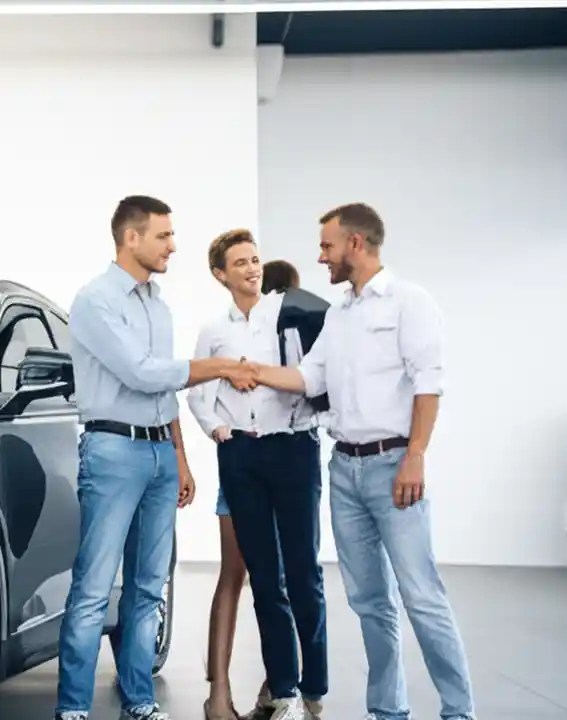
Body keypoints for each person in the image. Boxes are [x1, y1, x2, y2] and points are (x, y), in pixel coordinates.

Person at [246, 202, 477, 720]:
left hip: (393, 466)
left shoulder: (408, 301)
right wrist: (248, 371)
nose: (320, 256)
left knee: (421, 597)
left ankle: (459, 712)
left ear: (355, 244)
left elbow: (429, 383)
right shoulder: (340, 314)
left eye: (327, 245)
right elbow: (309, 378)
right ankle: (387, 712)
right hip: (343, 471)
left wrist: (415, 456)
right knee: (370, 602)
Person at [55, 195, 257, 720]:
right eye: (164, 236)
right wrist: (220, 366)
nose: (173, 245)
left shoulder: (157, 303)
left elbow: (163, 395)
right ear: (132, 238)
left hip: (158, 455)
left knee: (148, 589)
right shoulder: (95, 300)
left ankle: (139, 700)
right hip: (112, 451)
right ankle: (73, 709)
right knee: (94, 587)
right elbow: (141, 373)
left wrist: (181, 458)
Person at [188, 231, 329, 720]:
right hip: (241, 456)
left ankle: (315, 691)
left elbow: (315, 375)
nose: (251, 268)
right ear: (220, 274)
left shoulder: (288, 312)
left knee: (304, 573)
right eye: (240, 262)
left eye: (255, 260)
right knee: (265, 579)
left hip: (293, 449)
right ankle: (285, 693)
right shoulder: (214, 329)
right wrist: (217, 429)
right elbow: (197, 390)